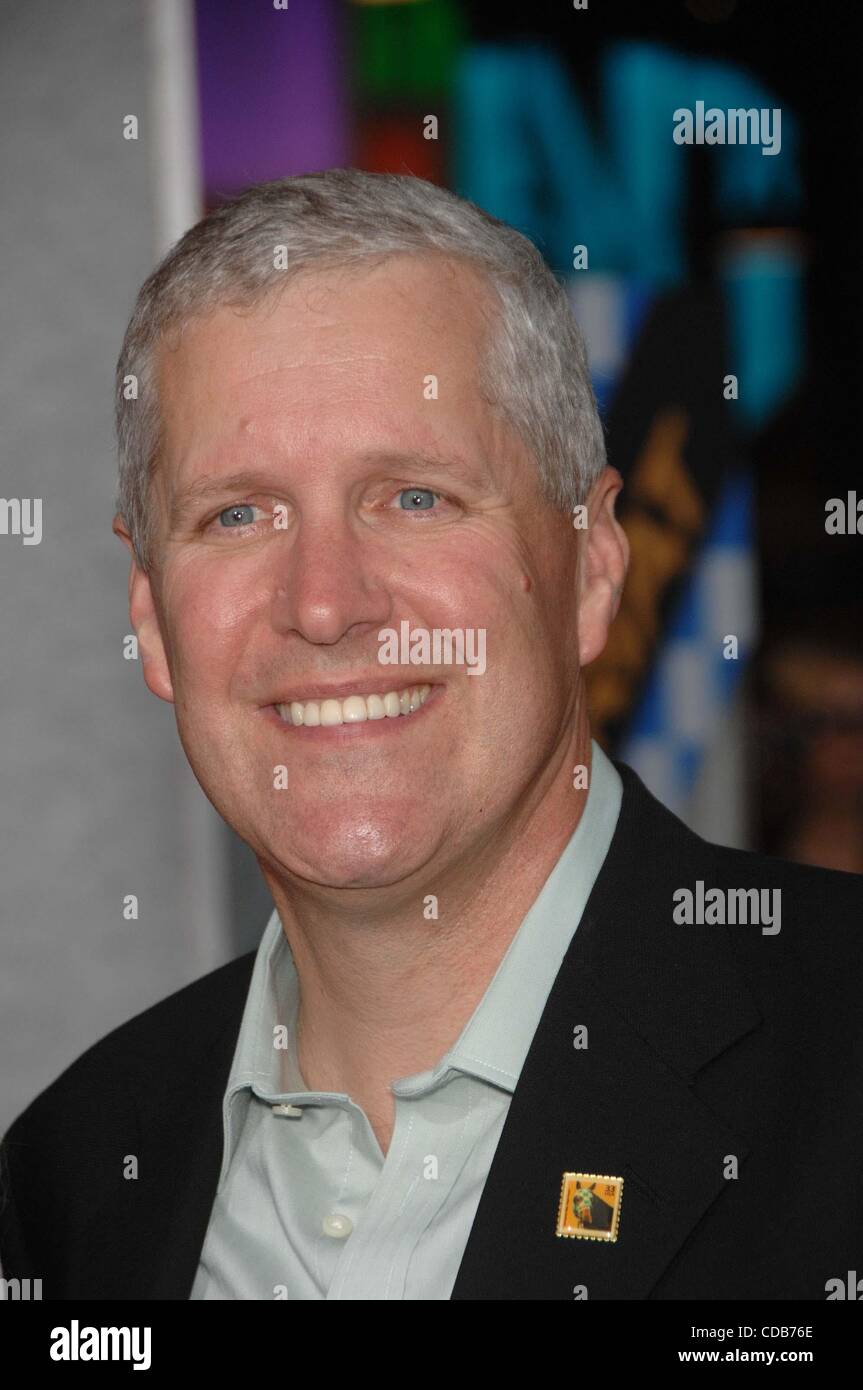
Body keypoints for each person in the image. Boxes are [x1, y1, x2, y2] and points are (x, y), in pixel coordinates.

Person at [1, 170, 861, 1301]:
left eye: (413, 497)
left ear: (593, 567)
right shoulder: (68, 1187)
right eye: (238, 514)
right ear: (153, 619)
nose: (323, 602)